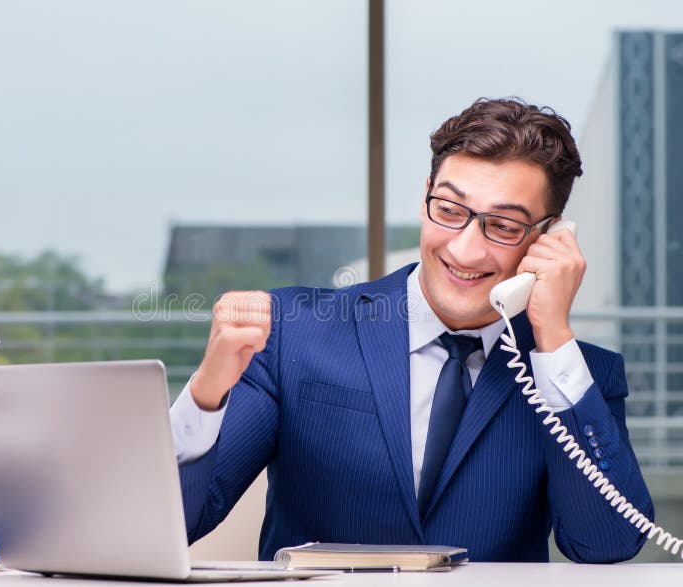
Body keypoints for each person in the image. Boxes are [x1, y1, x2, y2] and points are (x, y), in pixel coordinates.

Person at [169, 98, 653, 563]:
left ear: (547, 240)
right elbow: (181, 520)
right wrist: (207, 394)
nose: (464, 251)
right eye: (448, 209)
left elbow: (605, 542)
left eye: (503, 225)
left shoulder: (577, 372)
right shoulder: (294, 333)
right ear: (426, 196)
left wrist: (551, 342)